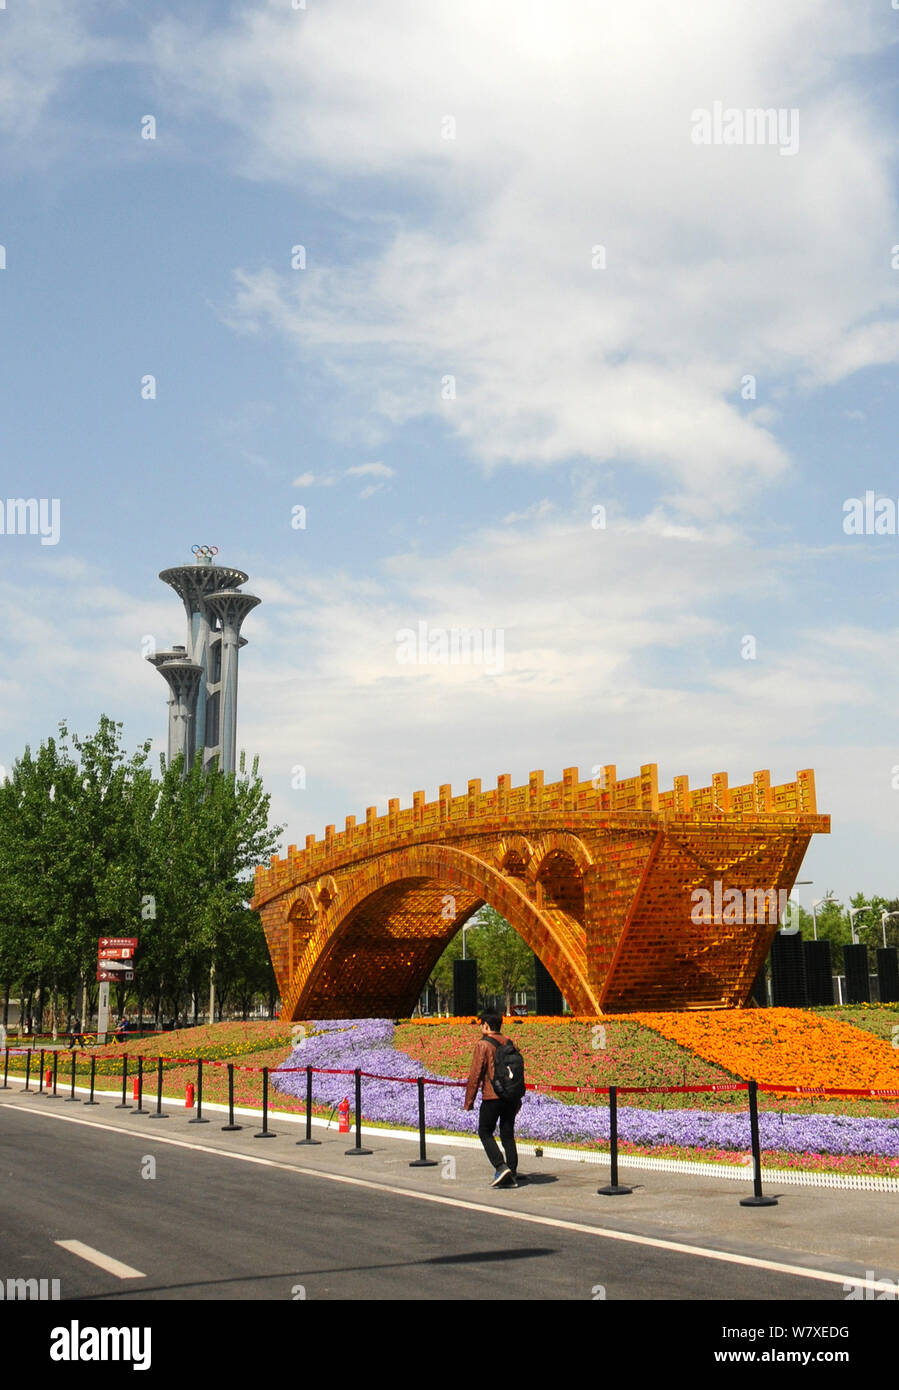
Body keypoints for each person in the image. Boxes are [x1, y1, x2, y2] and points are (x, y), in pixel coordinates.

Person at [464, 1011, 523, 1188]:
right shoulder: (509, 1043)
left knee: (484, 1131)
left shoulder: (483, 1045)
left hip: (492, 1096)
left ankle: (500, 1166)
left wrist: (469, 1101)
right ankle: (512, 1172)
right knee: (507, 1133)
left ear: (487, 1026)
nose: (480, 1027)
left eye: (481, 1024)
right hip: (510, 1096)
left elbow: (475, 1074)